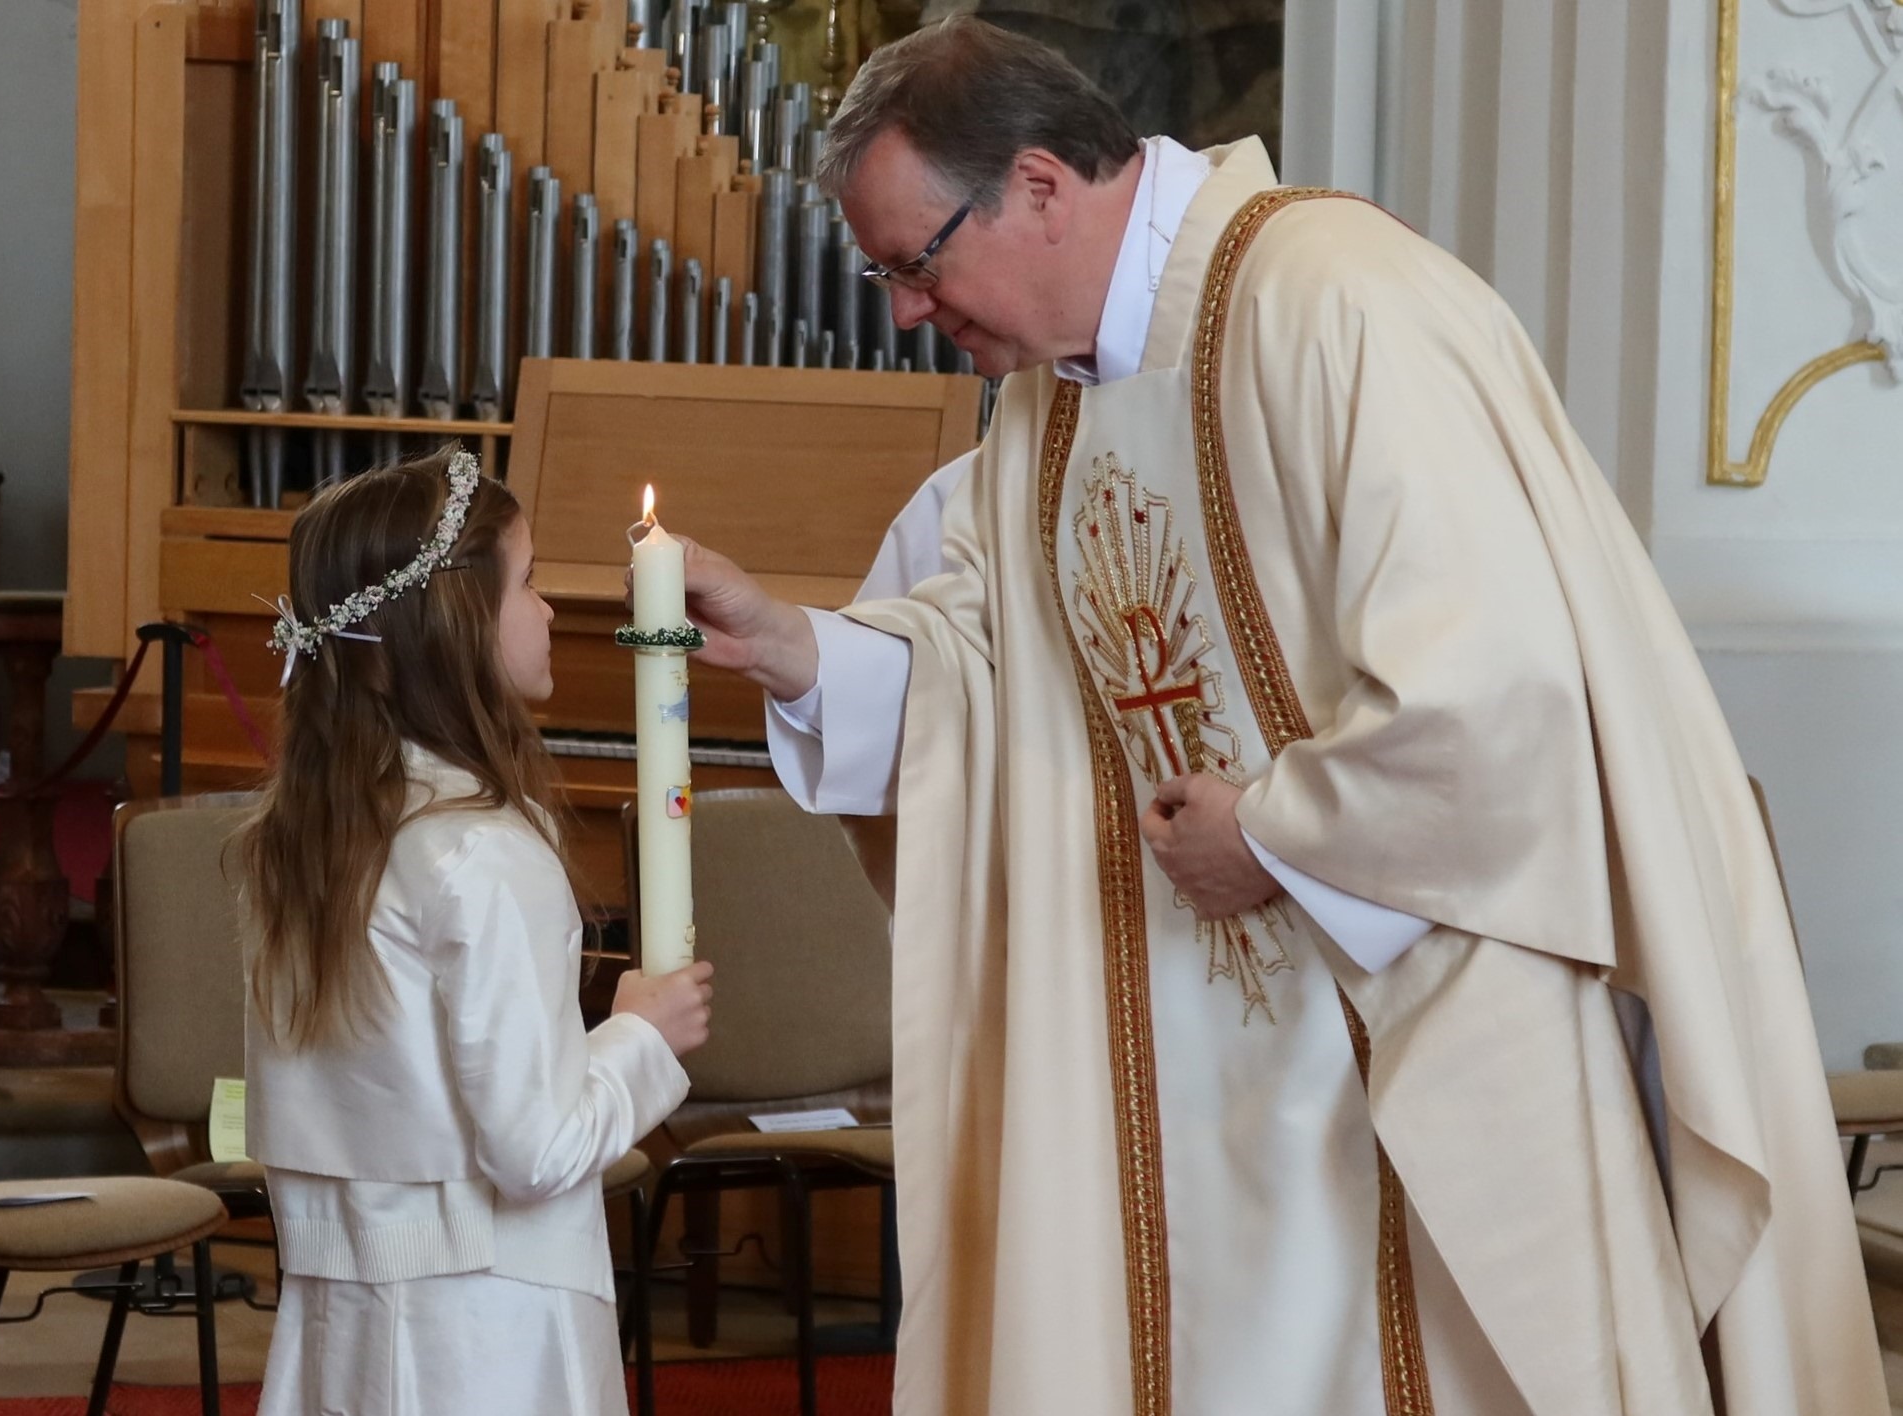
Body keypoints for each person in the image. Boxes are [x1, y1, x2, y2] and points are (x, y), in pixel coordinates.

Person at [678, 18, 1884, 1416]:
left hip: (1402, 1047)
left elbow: (1501, 689)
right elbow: (994, 676)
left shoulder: (1339, 303)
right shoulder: (1043, 410)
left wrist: (1281, 835)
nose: (901, 309)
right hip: (1168, 1072)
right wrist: (797, 651)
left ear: (1043, 187)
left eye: (914, 262)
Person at [240, 449, 713, 1416]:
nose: (547, 611)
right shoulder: (480, 854)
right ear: (454, 619)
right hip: (492, 1334)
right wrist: (641, 1037)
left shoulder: (296, 842)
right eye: (529, 582)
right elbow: (534, 1152)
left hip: (343, 1320)